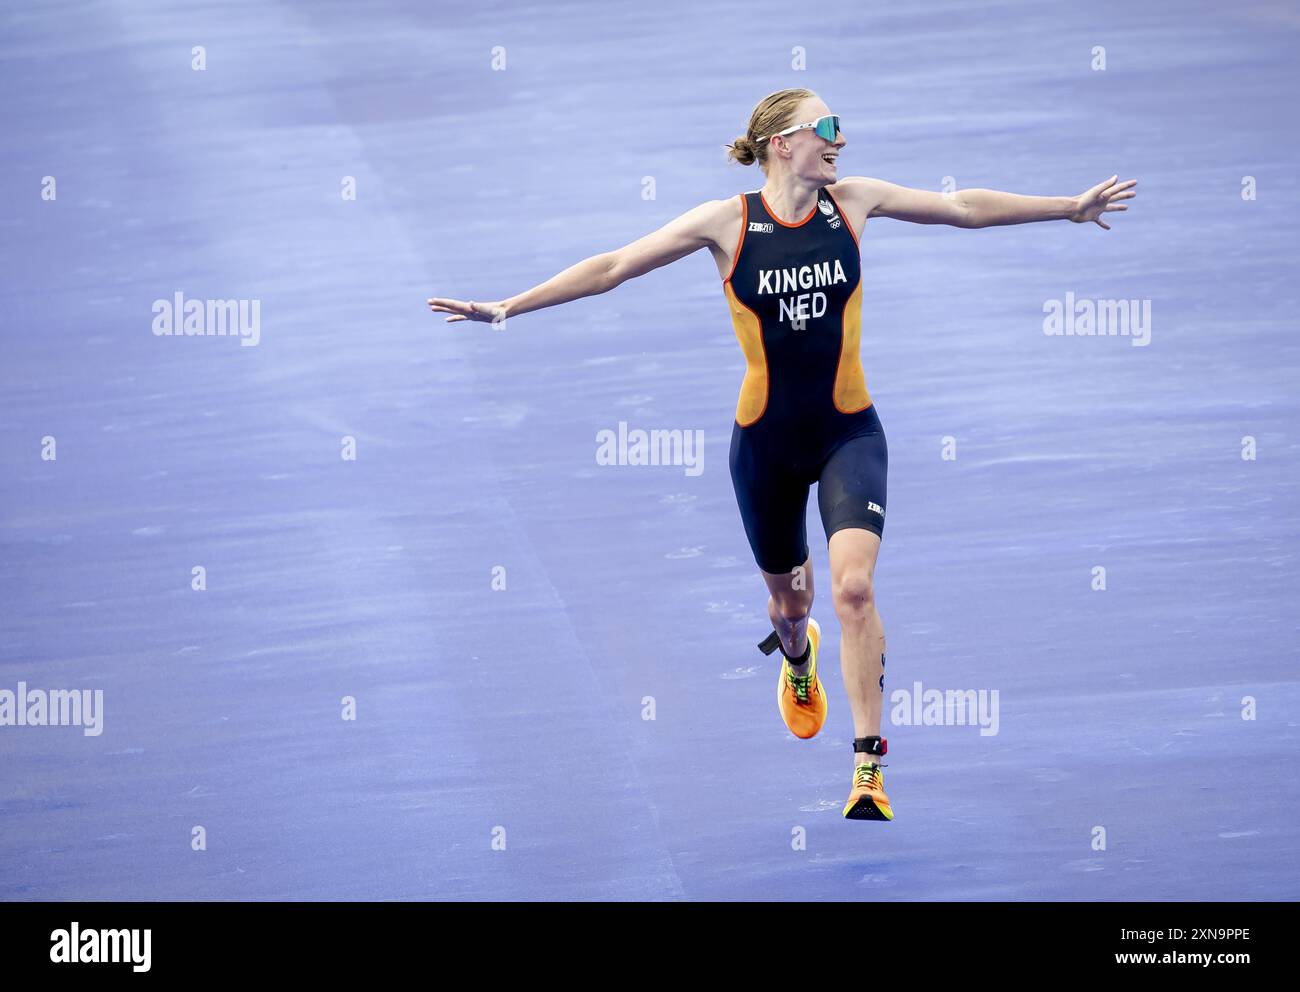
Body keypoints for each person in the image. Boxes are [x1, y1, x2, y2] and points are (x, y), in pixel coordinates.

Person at [428, 87, 1137, 821]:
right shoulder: (727, 224)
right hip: (765, 449)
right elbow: (612, 267)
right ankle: (797, 656)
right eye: (826, 127)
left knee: (853, 588)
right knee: (790, 604)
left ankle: (868, 769)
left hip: (847, 435)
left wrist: (1068, 207)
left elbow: (960, 207)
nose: (840, 139)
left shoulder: (853, 203)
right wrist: (508, 305)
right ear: (782, 143)